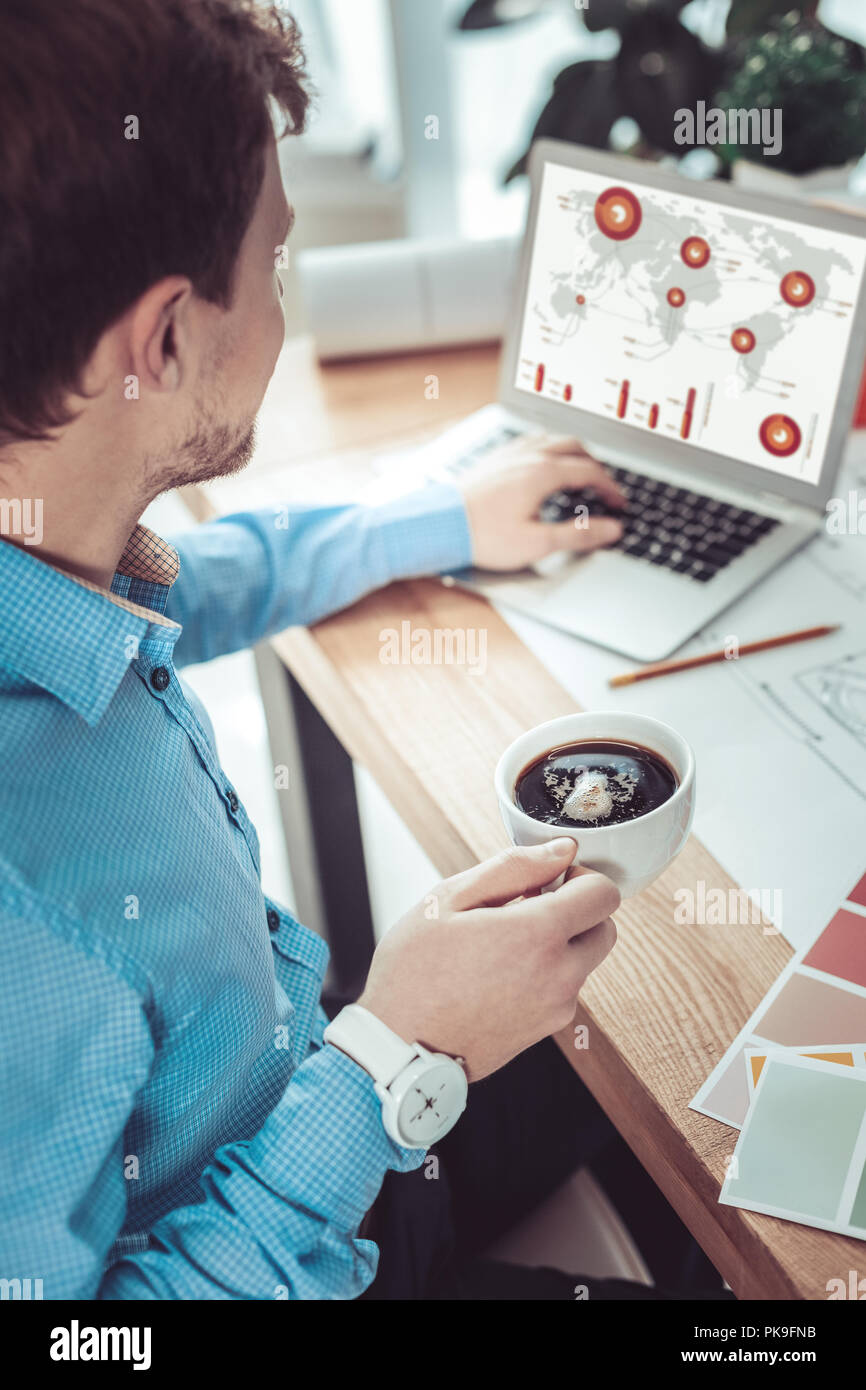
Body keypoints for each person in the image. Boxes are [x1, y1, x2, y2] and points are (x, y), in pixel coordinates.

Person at [0, 0, 693, 1302]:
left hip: (311, 1095)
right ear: (162, 339)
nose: (281, 301)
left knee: (669, 1030)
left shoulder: (47, 557)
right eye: (274, 265)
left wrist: (441, 517)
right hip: (301, 1234)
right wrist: (393, 1053)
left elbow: (209, 581)